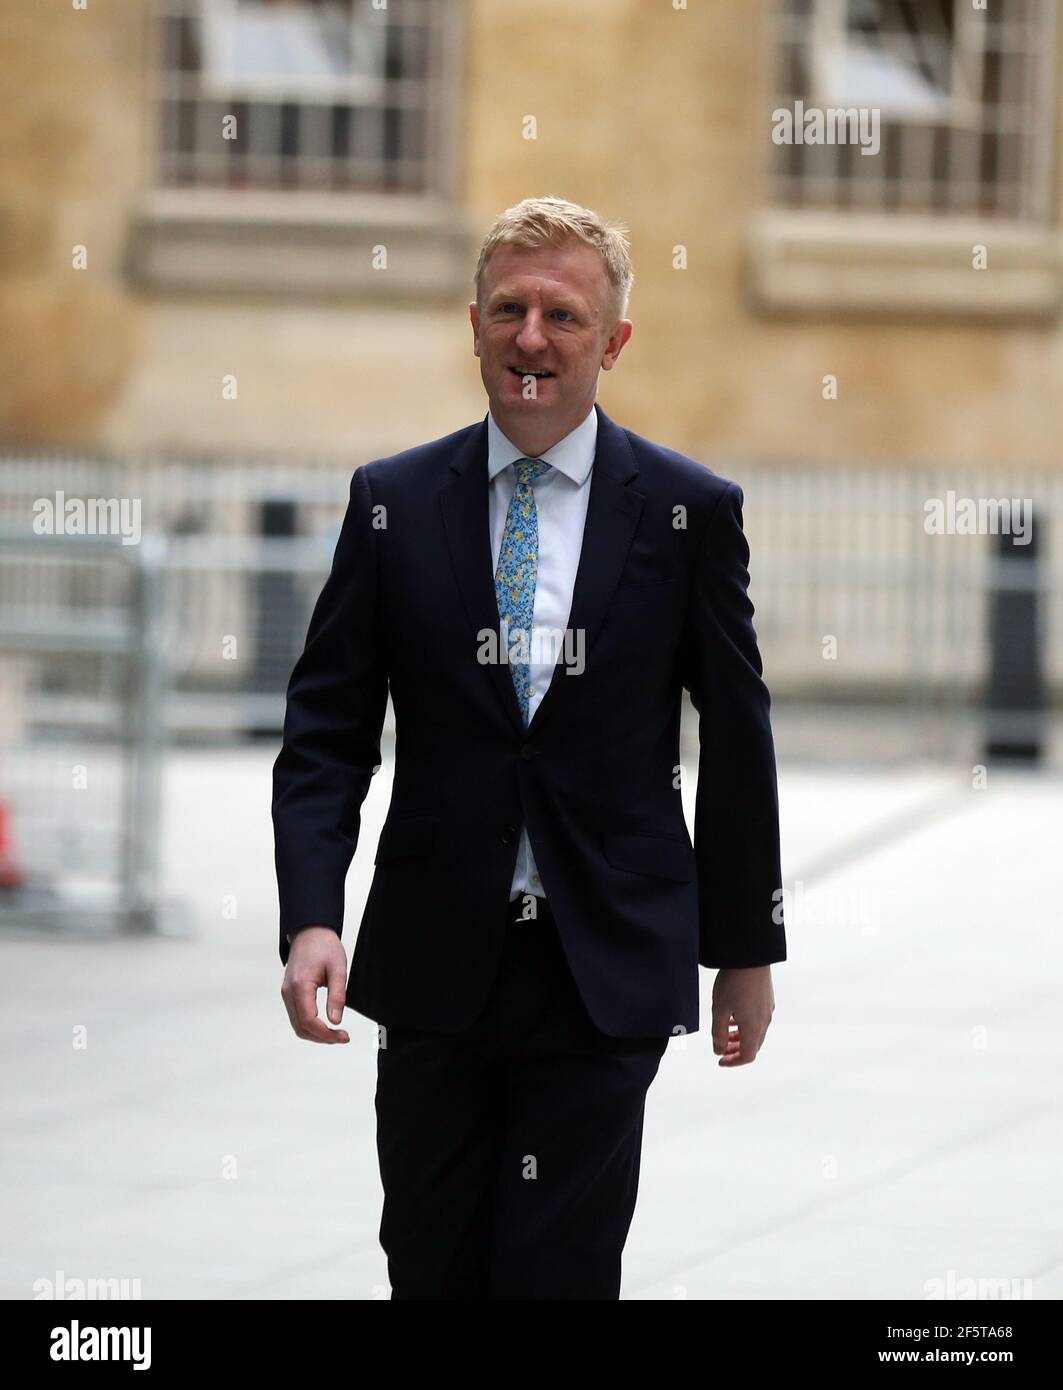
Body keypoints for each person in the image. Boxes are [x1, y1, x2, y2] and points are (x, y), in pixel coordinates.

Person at [272, 195, 786, 1300]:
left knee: (554, 1271)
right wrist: (312, 913)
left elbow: (737, 743)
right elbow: (327, 730)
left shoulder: (689, 511)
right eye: (508, 309)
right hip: (435, 960)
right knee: (432, 1261)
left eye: (563, 315)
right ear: (472, 325)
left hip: (601, 961)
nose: (532, 338)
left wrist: (745, 946)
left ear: (614, 343)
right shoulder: (393, 504)